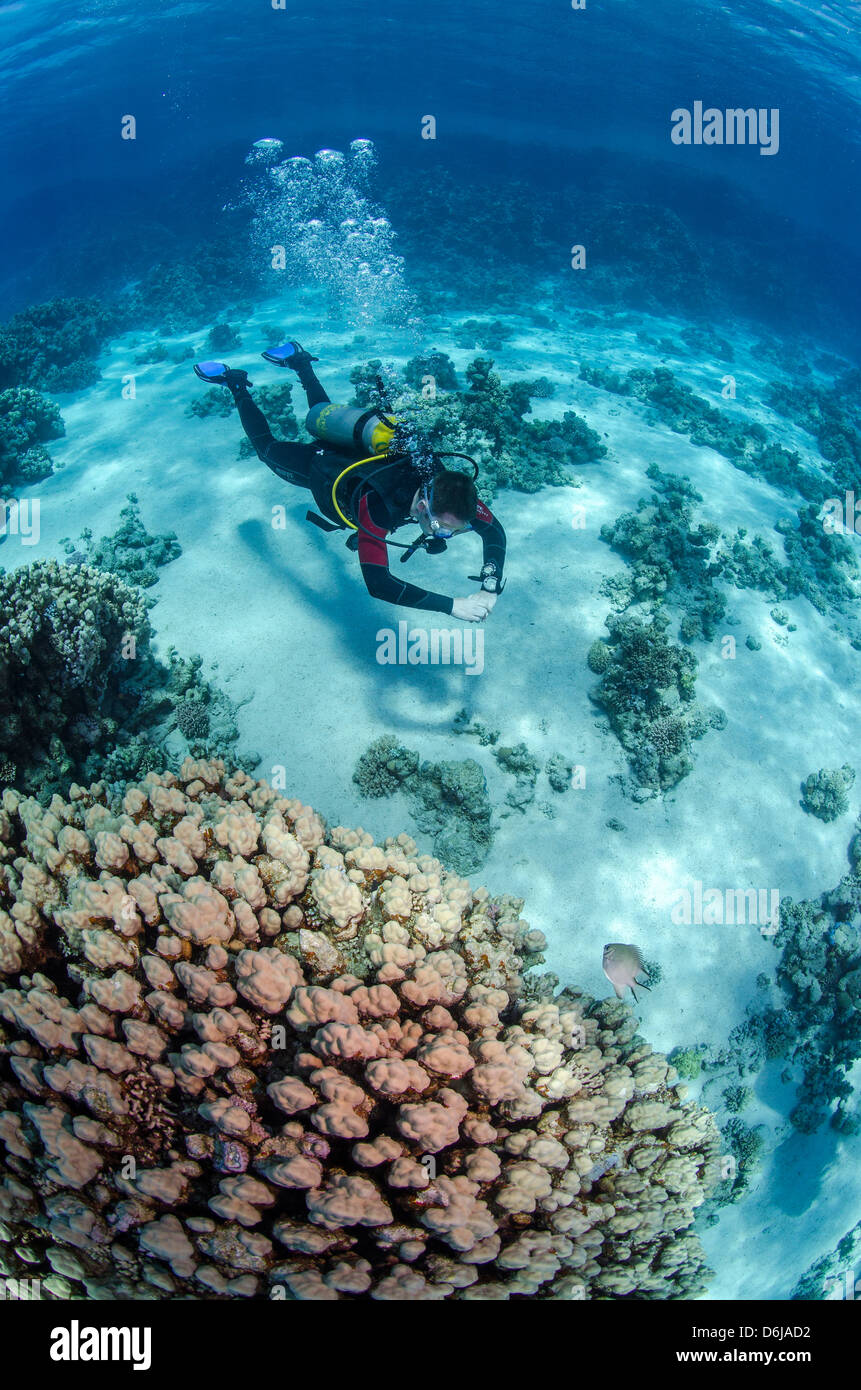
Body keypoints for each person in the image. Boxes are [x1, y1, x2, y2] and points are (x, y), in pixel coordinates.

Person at [193, 342, 506, 621]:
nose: (444, 535)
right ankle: (235, 384)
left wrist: (490, 585)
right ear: (423, 506)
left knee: (324, 419)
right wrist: (452, 605)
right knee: (267, 451)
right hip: (323, 467)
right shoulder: (377, 506)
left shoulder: (448, 489)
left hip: (361, 449)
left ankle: (301, 362)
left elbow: (493, 530)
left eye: (455, 530)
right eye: (441, 529)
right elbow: (379, 584)